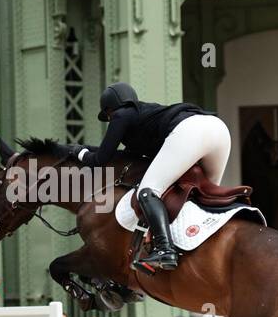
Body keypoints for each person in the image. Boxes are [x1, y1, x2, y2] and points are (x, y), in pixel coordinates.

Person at [75, 83, 231, 272]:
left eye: (108, 116)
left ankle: (165, 249)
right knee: (207, 196)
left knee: (147, 192)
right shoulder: (145, 115)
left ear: (109, 109)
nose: (110, 120)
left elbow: (100, 159)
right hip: (219, 130)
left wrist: (80, 152)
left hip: (191, 131)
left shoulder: (120, 115)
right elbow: (127, 155)